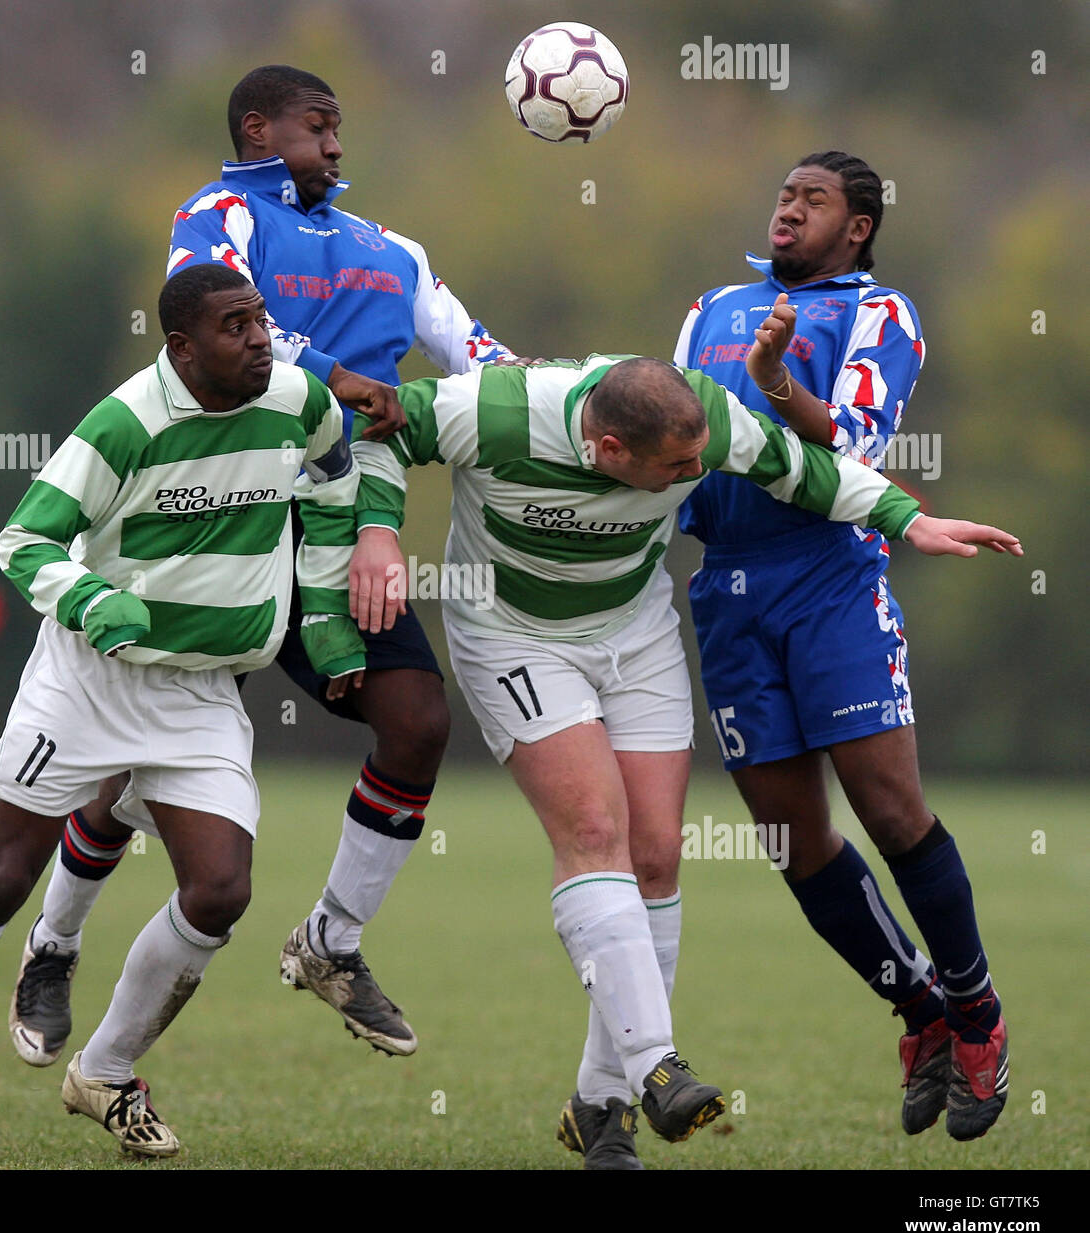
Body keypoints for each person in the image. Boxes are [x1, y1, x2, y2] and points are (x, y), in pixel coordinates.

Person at [348, 352, 1020, 1168]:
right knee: (594, 831)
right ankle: (654, 1068)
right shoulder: (495, 408)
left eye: (699, 457)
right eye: (675, 468)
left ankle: (600, 1108)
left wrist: (909, 520)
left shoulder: (702, 417)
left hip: (635, 633)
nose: (697, 476)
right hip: (513, 635)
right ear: (608, 450)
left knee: (657, 854)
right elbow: (385, 425)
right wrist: (379, 532)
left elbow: (801, 469)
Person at [8, 64, 515, 1068]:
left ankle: (331, 942)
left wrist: (562, 402)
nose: (335, 145)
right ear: (256, 128)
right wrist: (342, 378)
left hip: (338, 524)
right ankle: (53, 944)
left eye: (338, 127)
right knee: (126, 769)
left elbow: (481, 357)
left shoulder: (395, 251)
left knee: (417, 722)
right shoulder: (219, 214)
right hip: (217, 520)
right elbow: (240, 336)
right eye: (316, 127)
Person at [0, 264, 364, 1157]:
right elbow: (24, 538)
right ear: (182, 348)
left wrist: (327, 612)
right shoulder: (125, 422)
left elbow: (337, 472)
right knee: (0, 881)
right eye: (235, 327)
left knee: (221, 891)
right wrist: (90, 599)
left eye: (261, 320)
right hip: (89, 681)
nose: (260, 340)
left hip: (201, 691)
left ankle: (105, 1071)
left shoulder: (298, 400)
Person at [673, 152, 1009, 1141]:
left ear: (857, 226)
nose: (788, 209)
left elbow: (852, 450)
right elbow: (674, 434)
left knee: (891, 810)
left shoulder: (879, 312)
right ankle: (922, 1014)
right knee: (790, 839)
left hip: (828, 579)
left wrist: (774, 380)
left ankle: (979, 1016)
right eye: (784, 194)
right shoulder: (711, 307)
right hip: (725, 588)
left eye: (812, 200)